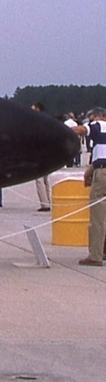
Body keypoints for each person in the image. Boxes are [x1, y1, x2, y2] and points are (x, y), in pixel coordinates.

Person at [79, 108, 106, 267]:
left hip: (102, 173)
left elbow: (81, 130)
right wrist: (87, 173)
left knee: (97, 215)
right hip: (100, 168)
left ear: (101, 116)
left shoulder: (100, 125)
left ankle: (95, 255)